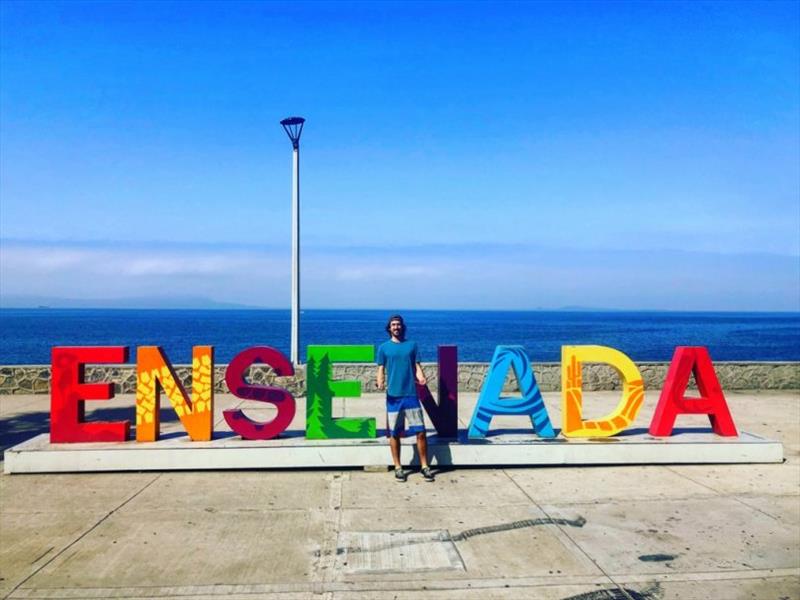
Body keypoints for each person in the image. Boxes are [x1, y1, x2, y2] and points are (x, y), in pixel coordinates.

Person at [376, 314, 435, 482]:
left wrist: (421, 377)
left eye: (398, 324)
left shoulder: (412, 346)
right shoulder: (383, 348)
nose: (396, 327)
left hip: (411, 395)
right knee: (394, 433)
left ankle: (425, 466)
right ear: (389, 328)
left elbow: (417, 365)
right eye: (393, 325)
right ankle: (398, 467)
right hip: (393, 397)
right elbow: (381, 368)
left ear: (403, 327)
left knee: (421, 432)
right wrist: (380, 381)